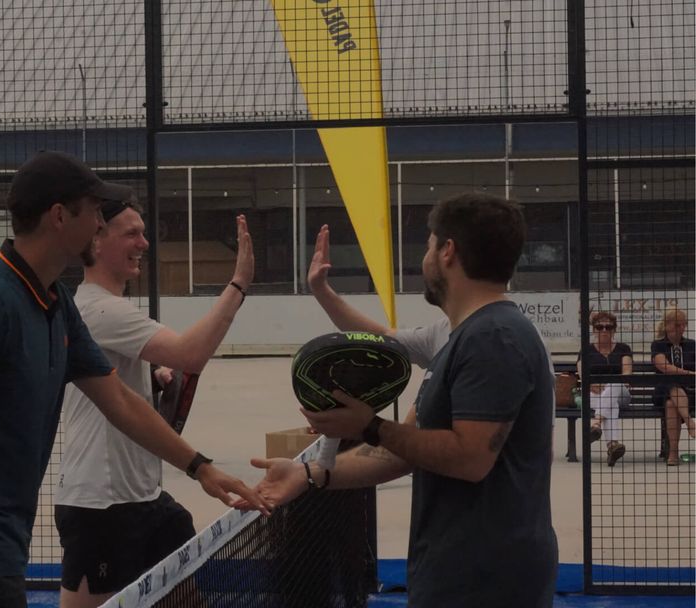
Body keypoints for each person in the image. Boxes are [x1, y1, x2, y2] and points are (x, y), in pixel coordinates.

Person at [0, 151, 270, 608]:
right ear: (59, 216)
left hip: (2, 544)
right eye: (95, 212)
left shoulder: (55, 301)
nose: (102, 224)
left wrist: (201, 468)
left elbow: (118, 398)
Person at [241, 193, 559, 608]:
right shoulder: (465, 336)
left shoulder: (493, 338)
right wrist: (312, 474)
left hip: (487, 580)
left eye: (428, 244)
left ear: (448, 252)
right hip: (458, 572)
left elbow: (469, 459)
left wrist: (369, 426)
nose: (424, 257)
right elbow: (408, 448)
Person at [54, 192, 254, 608]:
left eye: (143, 233)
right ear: (96, 241)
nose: (144, 243)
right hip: (100, 505)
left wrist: (154, 379)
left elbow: (119, 384)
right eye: (132, 234)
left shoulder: (111, 309)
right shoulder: (98, 310)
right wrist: (238, 285)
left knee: (183, 595)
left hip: (145, 499)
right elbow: (190, 353)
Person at [308, 223, 449, 367]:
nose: (424, 260)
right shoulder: (442, 332)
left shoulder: (468, 340)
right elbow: (382, 337)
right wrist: (321, 289)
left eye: (429, 248)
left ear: (447, 251)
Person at [577, 311, 632, 466]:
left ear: (614, 329)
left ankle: (596, 424)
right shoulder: (586, 350)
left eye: (608, 327)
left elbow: (626, 375)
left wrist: (605, 384)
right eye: (600, 327)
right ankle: (612, 446)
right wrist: (589, 383)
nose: (604, 331)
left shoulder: (623, 348)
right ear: (594, 329)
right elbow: (581, 371)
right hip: (595, 395)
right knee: (610, 404)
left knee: (615, 383)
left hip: (621, 393)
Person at [651, 307, 695, 466]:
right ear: (667, 325)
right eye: (677, 325)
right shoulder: (658, 345)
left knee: (671, 404)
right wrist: (688, 373)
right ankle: (690, 422)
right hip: (662, 390)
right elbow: (664, 367)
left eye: (684, 324)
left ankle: (673, 454)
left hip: (688, 392)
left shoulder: (692, 345)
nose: (681, 328)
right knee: (671, 384)